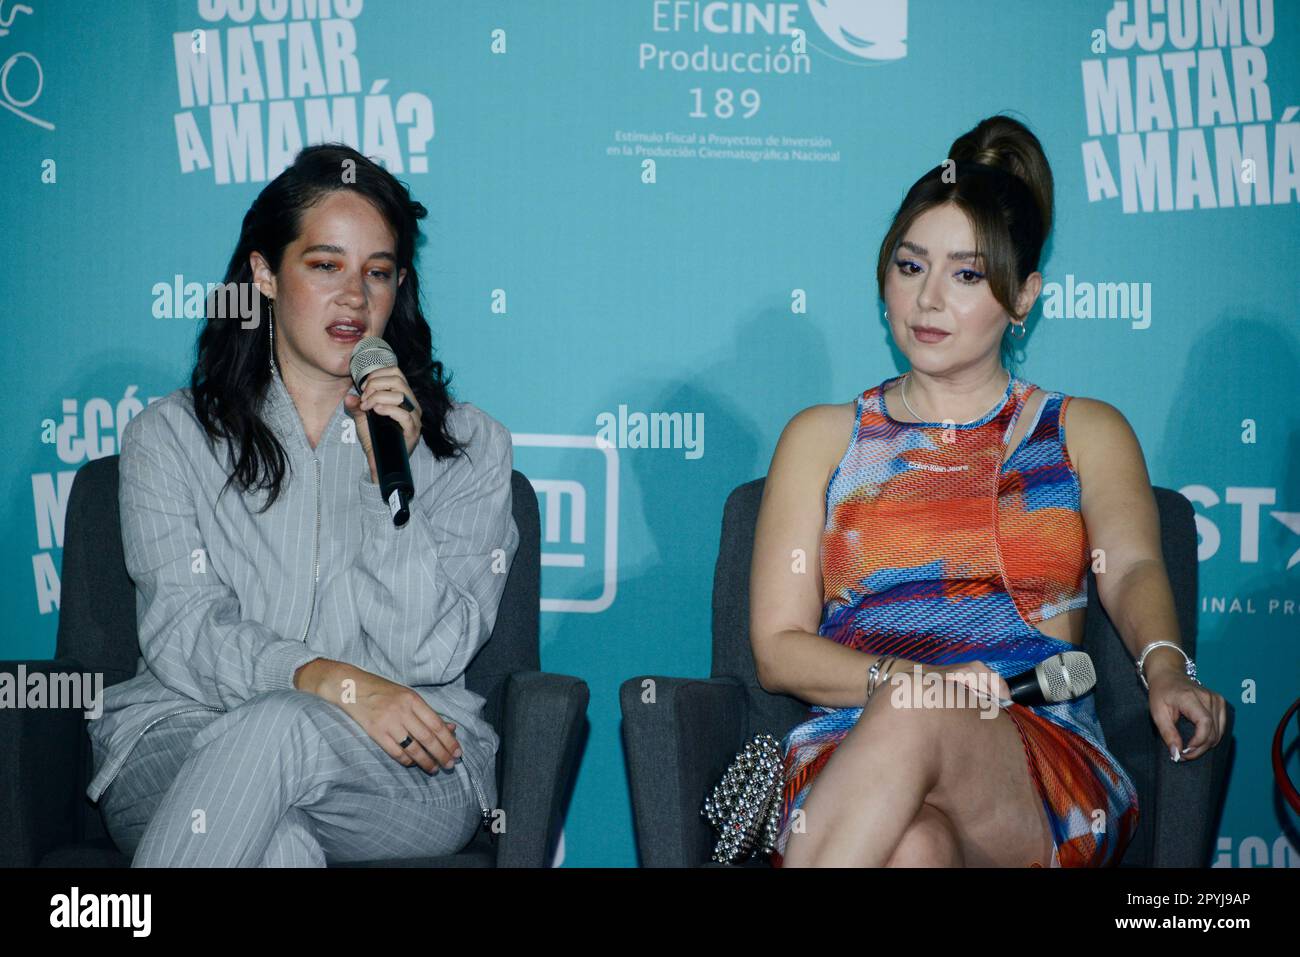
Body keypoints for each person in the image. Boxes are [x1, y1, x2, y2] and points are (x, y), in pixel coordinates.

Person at [750, 114, 1227, 867]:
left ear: (1023, 295)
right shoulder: (823, 437)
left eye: (966, 274)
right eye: (910, 266)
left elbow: (1132, 566)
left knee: (915, 713)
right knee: (914, 850)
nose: (928, 298)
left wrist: (1167, 665)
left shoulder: (1081, 430)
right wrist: (918, 682)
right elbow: (778, 650)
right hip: (846, 747)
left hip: (1035, 758)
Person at [86, 143, 520, 867]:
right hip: (188, 730)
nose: (355, 296)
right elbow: (185, 632)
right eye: (325, 265)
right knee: (277, 841)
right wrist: (326, 677)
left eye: (376, 272)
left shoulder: (470, 448)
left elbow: (429, 651)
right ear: (262, 272)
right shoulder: (170, 436)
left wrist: (390, 478)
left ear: (399, 285)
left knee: (284, 730)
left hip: (405, 759)